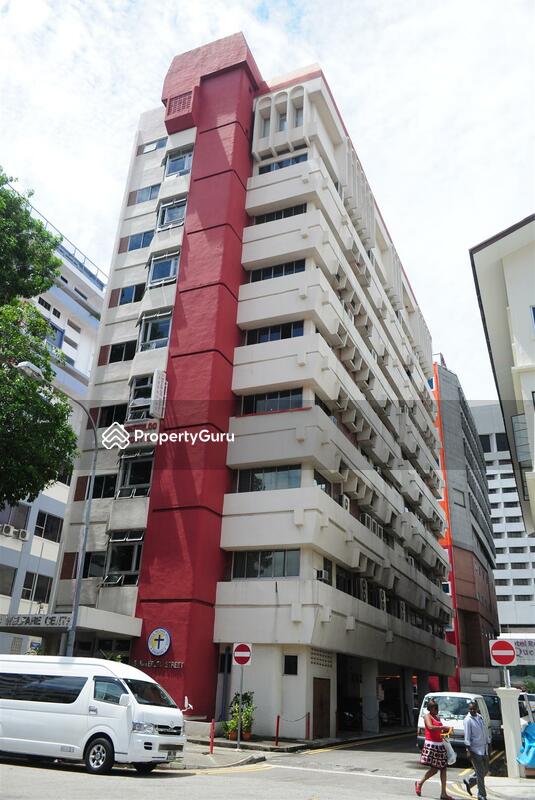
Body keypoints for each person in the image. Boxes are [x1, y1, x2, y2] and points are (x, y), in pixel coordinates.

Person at [415, 699, 453, 799]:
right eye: (434, 708)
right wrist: (443, 727)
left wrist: (447, 732)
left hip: (440, 744)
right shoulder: (427, 716)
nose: (437, 709)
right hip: (432, 745)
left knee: (443, 768)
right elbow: (430, 727)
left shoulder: (437, 717)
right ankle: (420, 783)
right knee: (434, 770)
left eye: (437, 707)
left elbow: (439, 730)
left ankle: (443, 793)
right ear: (430, 708)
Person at [463, 701, 491, 799]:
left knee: (485, 770)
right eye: (470, 709)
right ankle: (481, 795)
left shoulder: (480, 717)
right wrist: (468, 750)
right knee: (480, 773)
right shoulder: (467, 720)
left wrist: (488, 743)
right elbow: (467, 736)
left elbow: (485, 731)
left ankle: (470, 781)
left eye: (474, 709)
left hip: (484, 748)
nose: (472, 710)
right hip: (474, 750)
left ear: (477, 708)